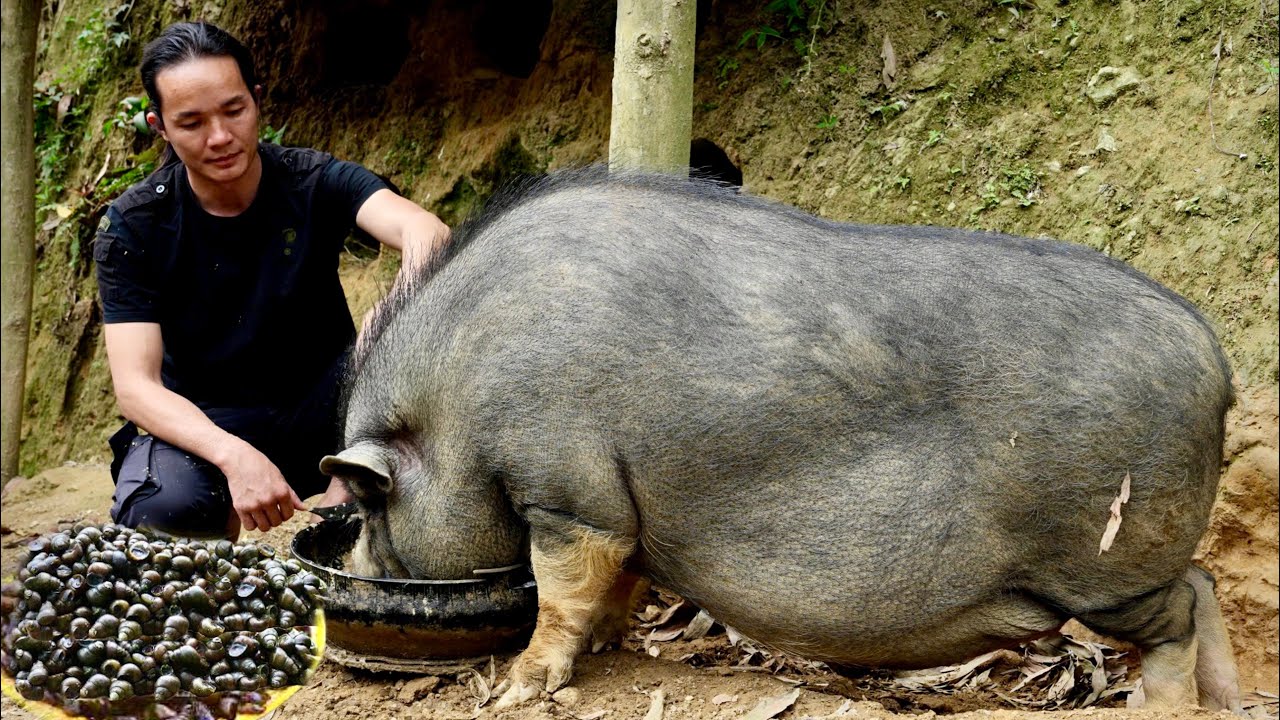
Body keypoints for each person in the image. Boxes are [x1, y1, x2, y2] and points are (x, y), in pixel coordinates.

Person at [94, 21, 449, 538]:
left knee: (433, 406)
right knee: (161, 512)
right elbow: (136, 388)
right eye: (191, 122)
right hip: (206, 418)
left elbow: (428, 233)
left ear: (257, 100)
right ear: (160, 126)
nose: (220, 137)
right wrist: (235, 457)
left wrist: (386, 319)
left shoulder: (313, 180)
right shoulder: (133, 226)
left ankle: (352, 489)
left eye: (234, 110)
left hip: (331, 404)